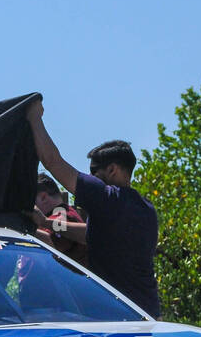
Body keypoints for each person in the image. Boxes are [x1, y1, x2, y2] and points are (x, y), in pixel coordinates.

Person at [26, 98, 161, 319]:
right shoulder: (145, 209)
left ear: (113, 170)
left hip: (117, 315)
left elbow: (52, 161)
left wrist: (34, 117)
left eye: (94, 172)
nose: (90, 178)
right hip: (148, 312)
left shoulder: (107, 199)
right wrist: (47, 223)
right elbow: (90, 236)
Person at [29, 173, 88, 267]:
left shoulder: (60, 216)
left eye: (29, 199)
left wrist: (21, 225)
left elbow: (49, 241)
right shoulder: (62, 212)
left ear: (43, 197)